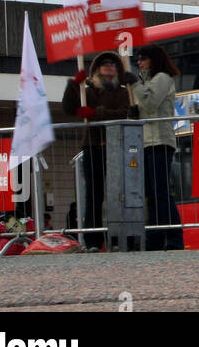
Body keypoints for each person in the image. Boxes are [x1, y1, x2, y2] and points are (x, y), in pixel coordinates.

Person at [61, 52, 138, 252]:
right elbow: (69, 107)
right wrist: (73, 84)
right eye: (104, 63)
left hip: (117, 147)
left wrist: (96, 114)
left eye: (113, 63)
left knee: (120, 194)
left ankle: (122, 238)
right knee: (93, 195)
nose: (109, 66)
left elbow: (126, 112)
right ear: (96, 69)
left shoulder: (124, 92)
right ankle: (93, 241)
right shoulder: (88, 91)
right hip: (93, 146)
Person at [135, 44, 185, 251]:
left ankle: (173, 237)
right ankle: (155, 237)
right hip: (148, 142)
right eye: (138, 59)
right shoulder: (147, 81)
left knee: (161, 192)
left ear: (153, 60)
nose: (139, 62)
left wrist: (134, 86)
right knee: (152, 194)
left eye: (143, 58)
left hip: (160, 142)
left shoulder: (162, 78)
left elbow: (150, 104)